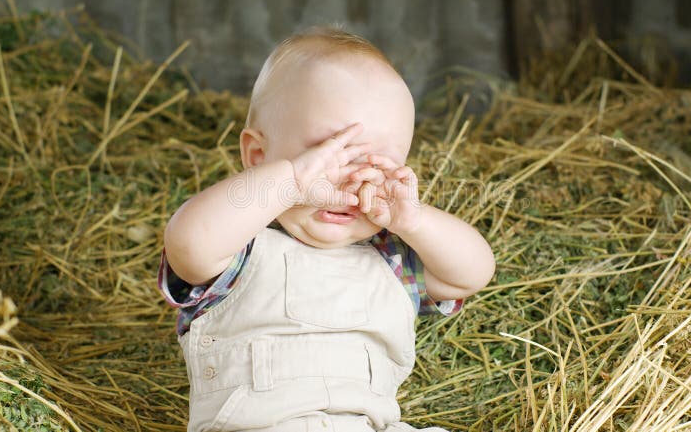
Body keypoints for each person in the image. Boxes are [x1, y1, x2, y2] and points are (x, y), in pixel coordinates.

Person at [158, 26, 496, 432]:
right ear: (259, 156)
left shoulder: (394, 261)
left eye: (374, 165)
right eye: (326, 157)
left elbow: (472, 273)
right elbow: (188, 244)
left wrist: (415, 221)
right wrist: (291, 183)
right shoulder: (238, 248)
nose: (348, 183)